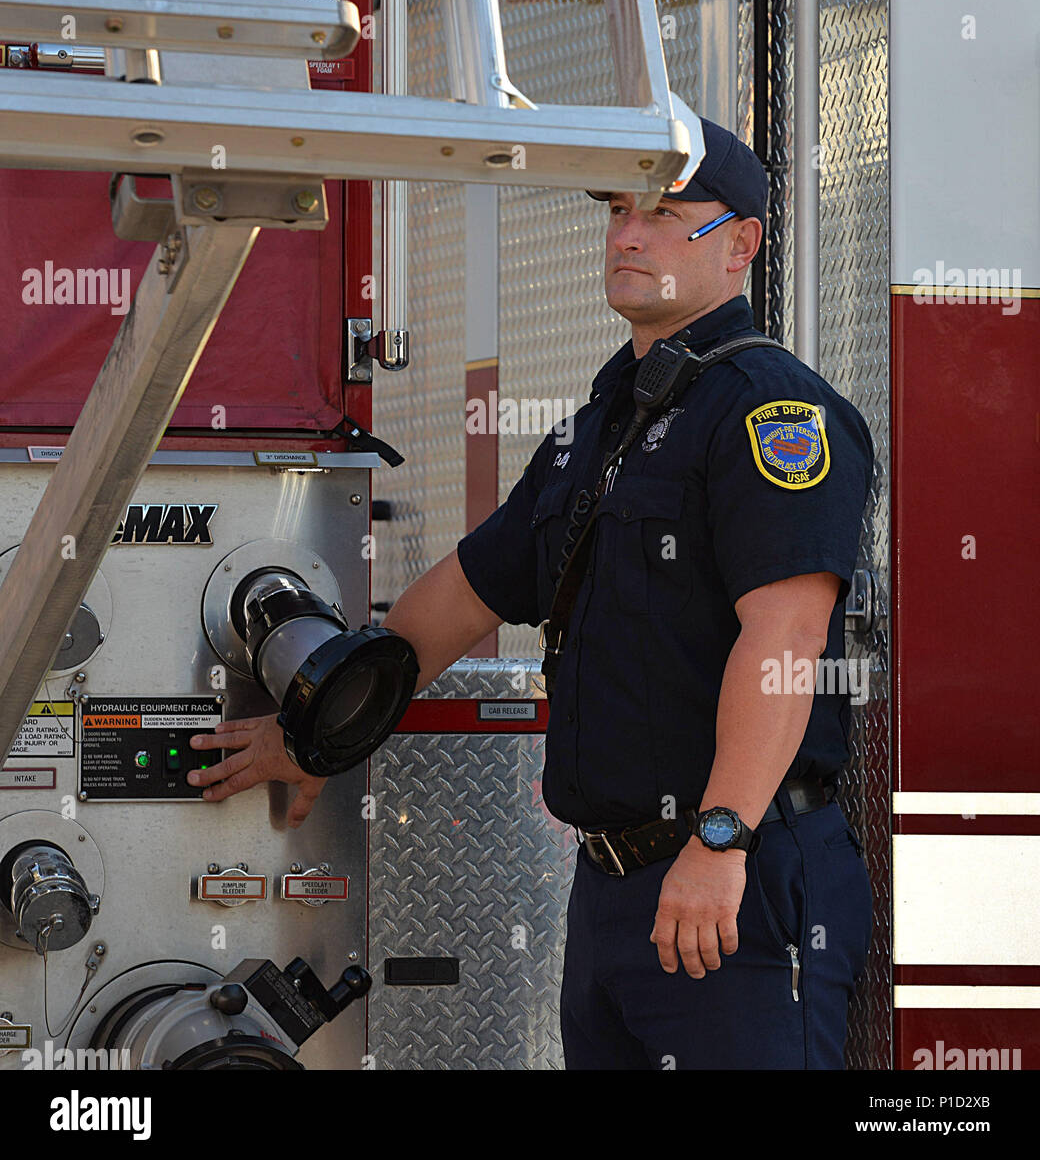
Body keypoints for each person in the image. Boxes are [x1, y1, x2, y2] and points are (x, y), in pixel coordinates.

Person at [189, 115, 874, 1071]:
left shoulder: (773, 416)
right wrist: (315, 736)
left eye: (666, 214)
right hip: (612, 893)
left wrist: (721, 843)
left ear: (742, 246)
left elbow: (786, 641)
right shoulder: (592, 434)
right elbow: (454, 601)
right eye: (620, 211)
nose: (628, 234)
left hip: (731, 882)